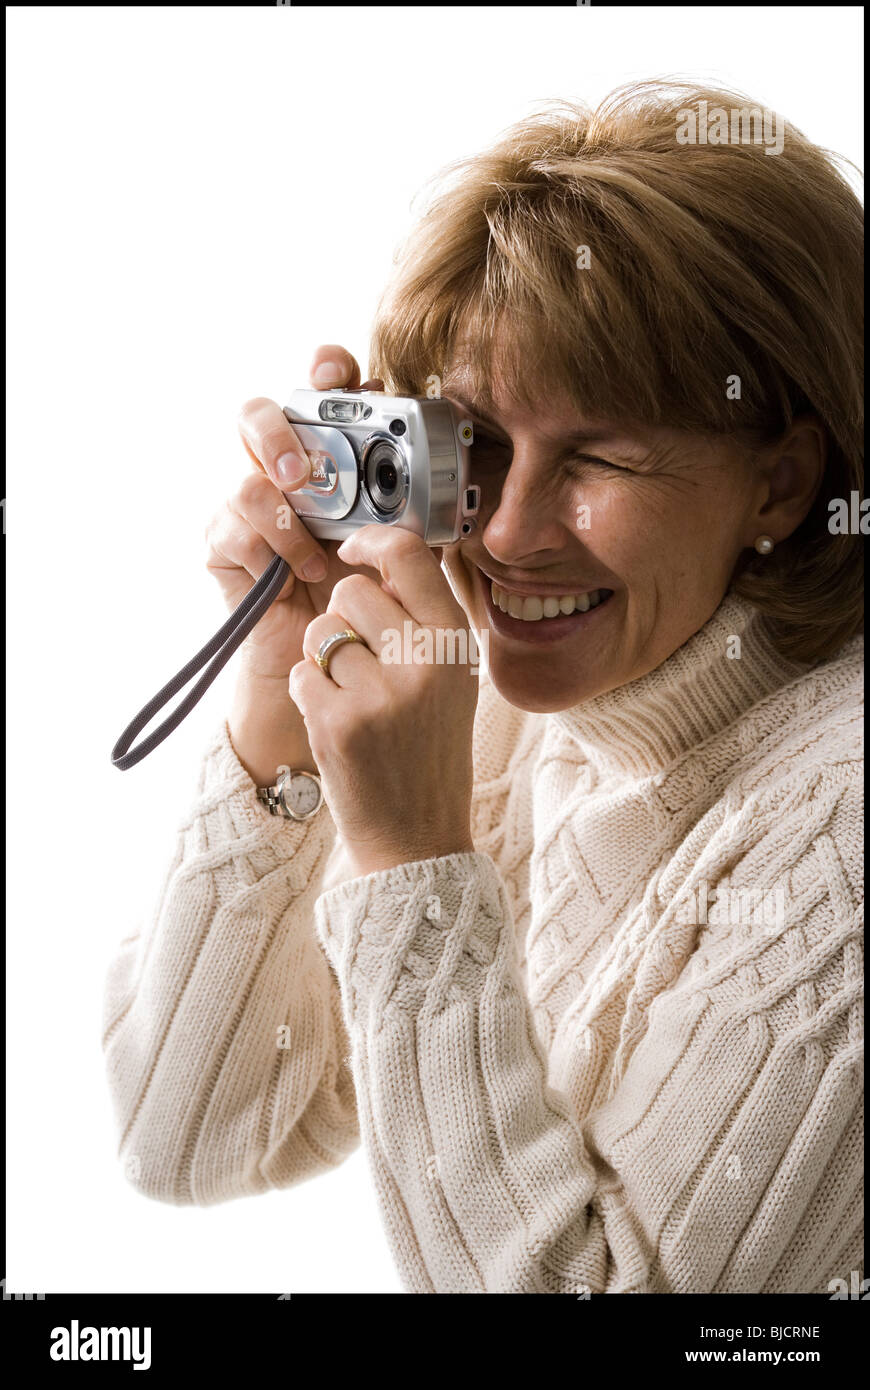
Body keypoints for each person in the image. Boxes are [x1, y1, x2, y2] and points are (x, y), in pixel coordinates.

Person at [102, 81, 863, 1294]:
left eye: (598, 457)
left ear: (779, 482)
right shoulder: (504, 707)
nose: (505, 534)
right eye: (481, 447)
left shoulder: (838, 825)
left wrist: (413, 860)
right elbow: (186, 1137)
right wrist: (272, 705)